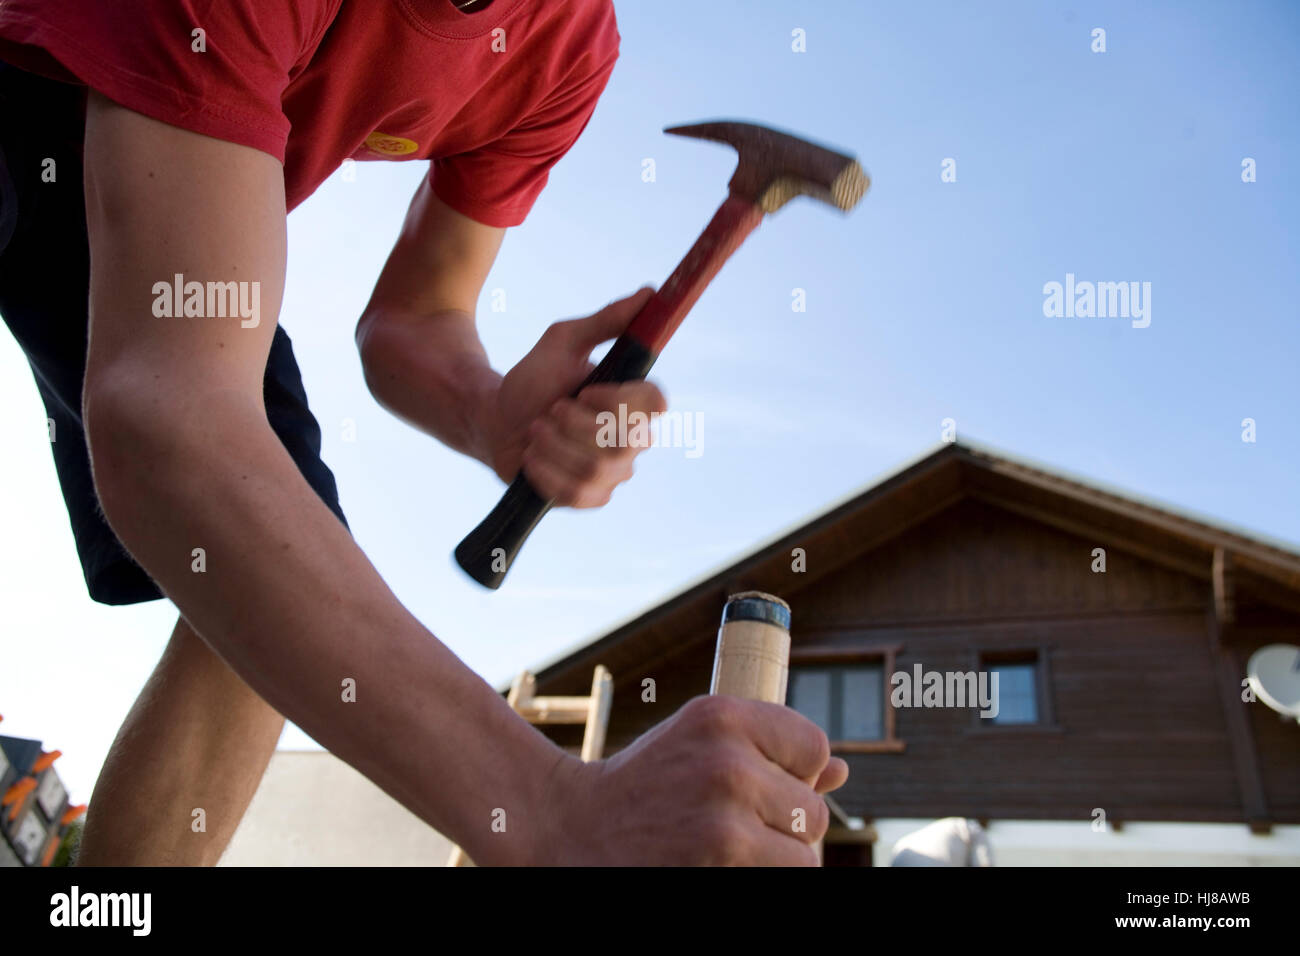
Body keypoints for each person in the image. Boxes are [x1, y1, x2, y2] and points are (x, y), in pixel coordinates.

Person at [0, 0, 847, 865]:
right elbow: (170, 424)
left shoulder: (564, 50)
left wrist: (488, 411)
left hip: (145, 146)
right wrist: (555, 811)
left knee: (271, 585)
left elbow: (417, 316)